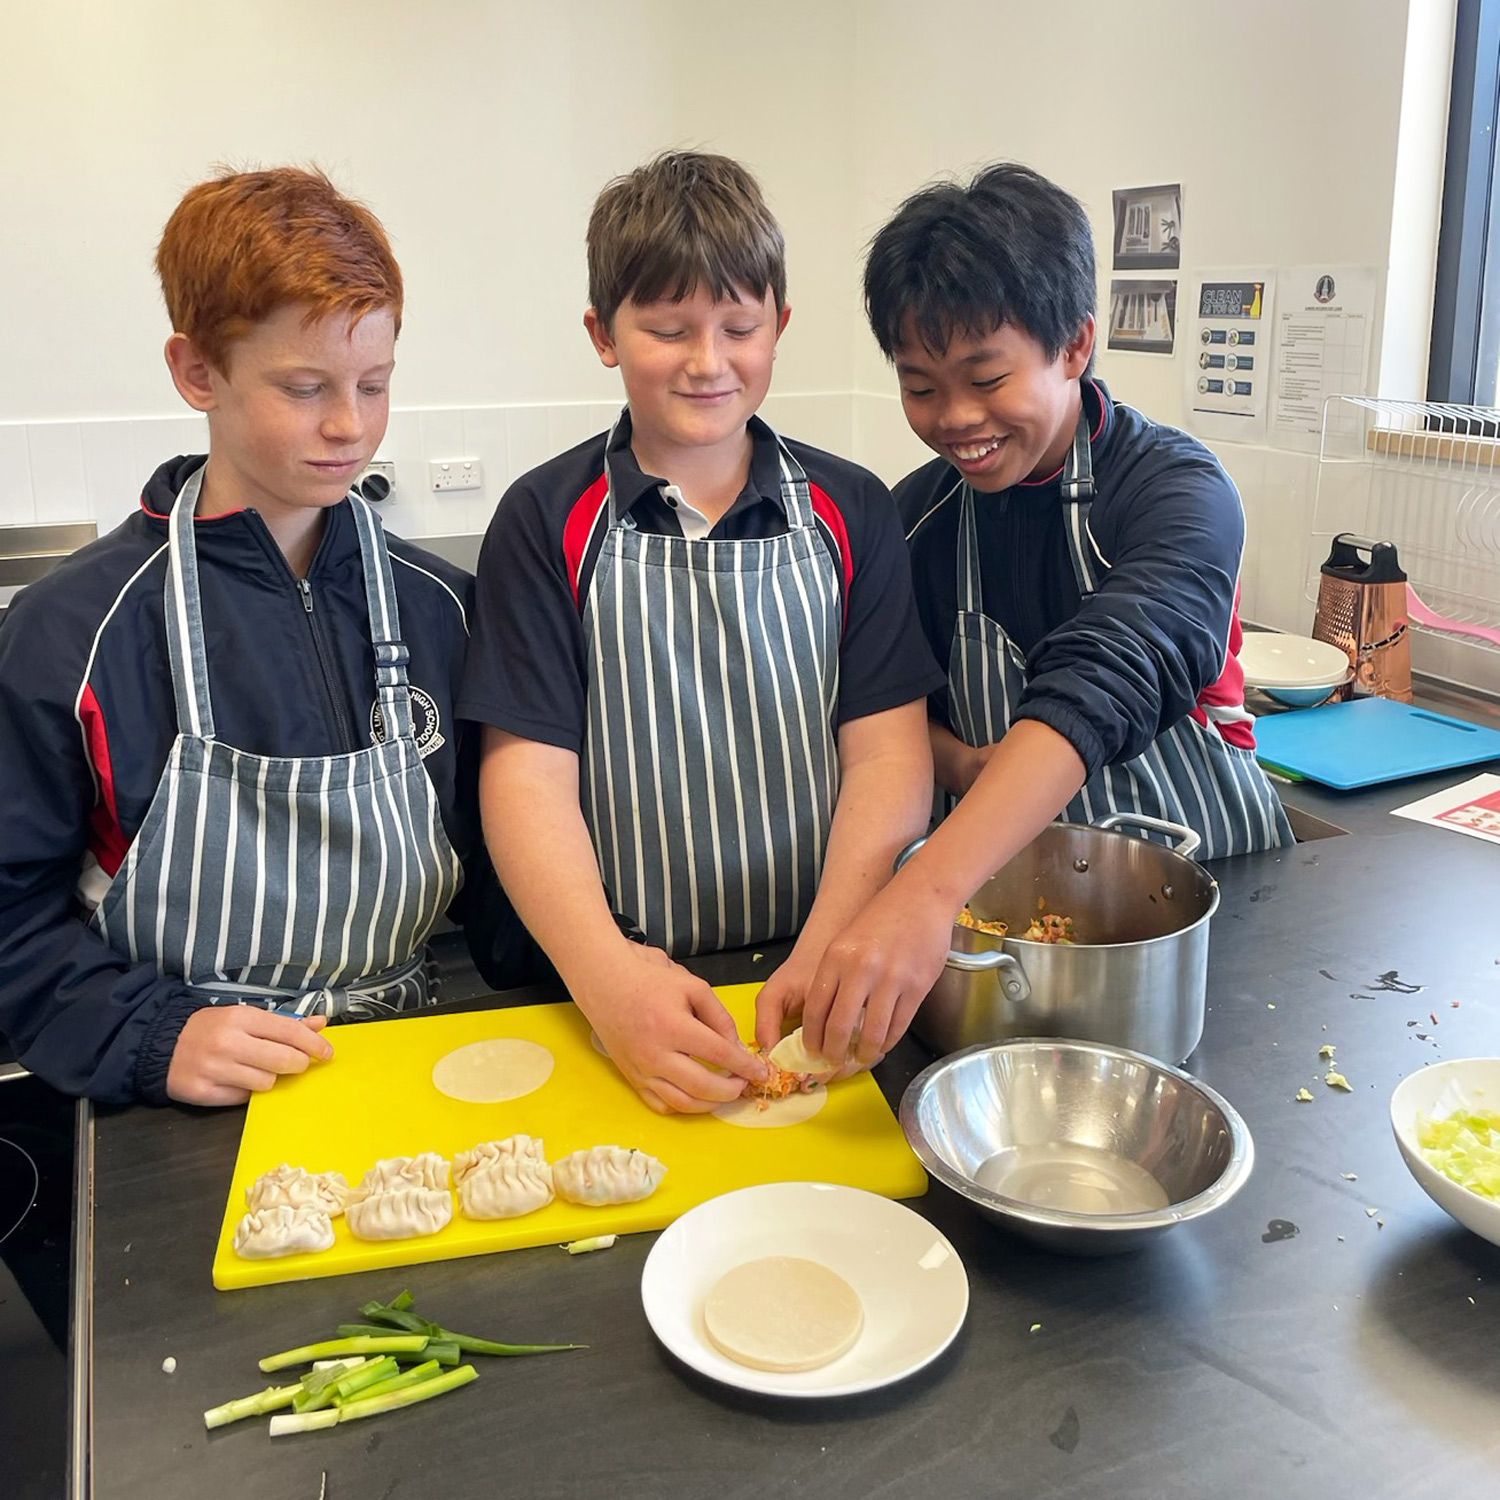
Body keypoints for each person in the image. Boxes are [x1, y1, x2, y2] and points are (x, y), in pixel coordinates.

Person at [459, 152, 940, 1114]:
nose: (708, 361)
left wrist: (831, 942)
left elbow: (888, 754)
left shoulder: (853, 510)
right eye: (667, 329)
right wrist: (606, 975)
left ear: (782, 326)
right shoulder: (544, 517)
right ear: (603, 333)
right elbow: (525, 773)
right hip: (619, 976)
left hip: (817, 968)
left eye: (739, 327)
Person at [785, 163, 1294, 1070]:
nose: (957, 419)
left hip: (1215, 910)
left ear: (1076, 344)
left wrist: (928, 889)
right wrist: (967, 763)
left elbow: (1108, 675)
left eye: (986, 377)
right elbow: (892, 719)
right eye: (922, 387)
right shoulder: (914, 522)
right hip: (1008, 931)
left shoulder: (1177, 492)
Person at [0, 167, 490, 1106]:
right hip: (180, 1093)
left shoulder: (445, 609)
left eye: (375, 384)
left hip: (413, 1068)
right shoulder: (74, 633)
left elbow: (503, 877)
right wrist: (148, 1034)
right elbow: (13, 918)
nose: (350, 426)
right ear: (196, 372)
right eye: (304, 387)